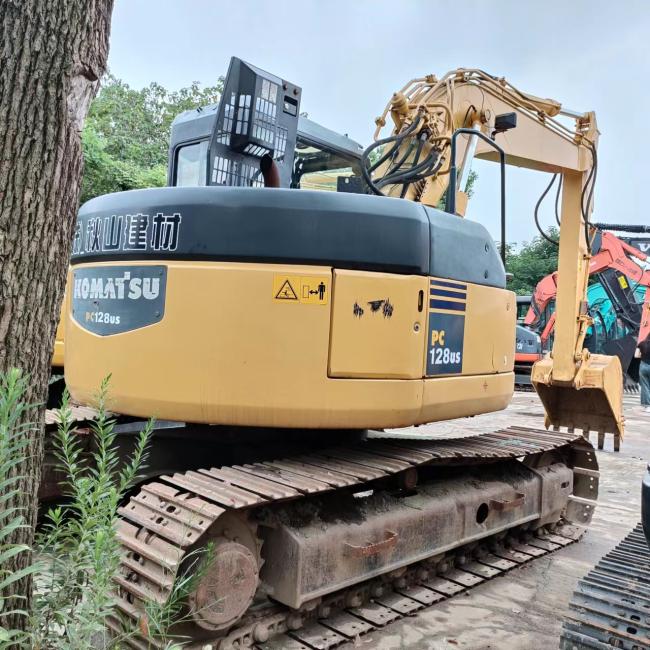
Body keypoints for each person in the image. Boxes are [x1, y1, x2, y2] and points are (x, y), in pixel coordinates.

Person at [637, 335, 650, 412]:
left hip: (643, 365)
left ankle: (647, 406)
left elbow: (636, 355)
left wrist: (642, 355)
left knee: (645, 386)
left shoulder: (641, 343)